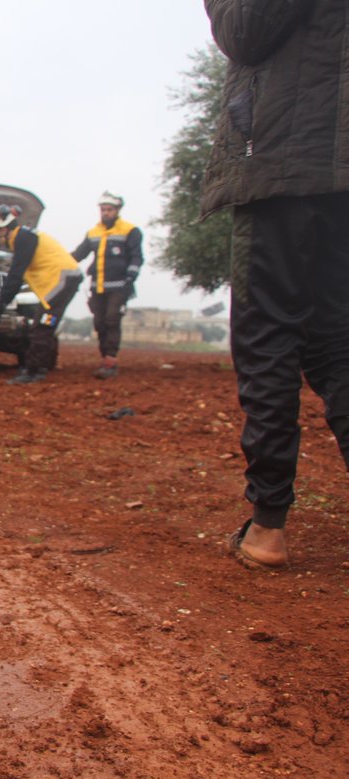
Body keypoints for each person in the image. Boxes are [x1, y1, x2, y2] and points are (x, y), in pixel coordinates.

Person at [202, 0, 349, 569]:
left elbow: (246, 32)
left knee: (269, 340)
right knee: (339, 345)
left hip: (286, 164)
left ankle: (267, 528)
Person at [0, 204, 83, 385]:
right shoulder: (24, 236)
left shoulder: (22, 238)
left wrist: (1, 303)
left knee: (43, 326)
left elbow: (16, 274)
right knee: (43, 324)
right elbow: (20, 275)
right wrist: (3, 302)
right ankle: (38, 368)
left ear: (4, 229)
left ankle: (34, 372)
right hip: (63, 280)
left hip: (61, 280)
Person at [72, 191, 144, 379]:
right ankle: (105, 357)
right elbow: (79, 254)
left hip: (119, 286)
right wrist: (59, 261)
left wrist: (131, 278)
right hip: (97, 286)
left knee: (112, 320)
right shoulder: (93, 233)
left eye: (109, 210)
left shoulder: (130, 231)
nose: (105, 213)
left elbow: (137, 257)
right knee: (99, 323)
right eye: (103, 210)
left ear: (117, 210)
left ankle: (110, 361)